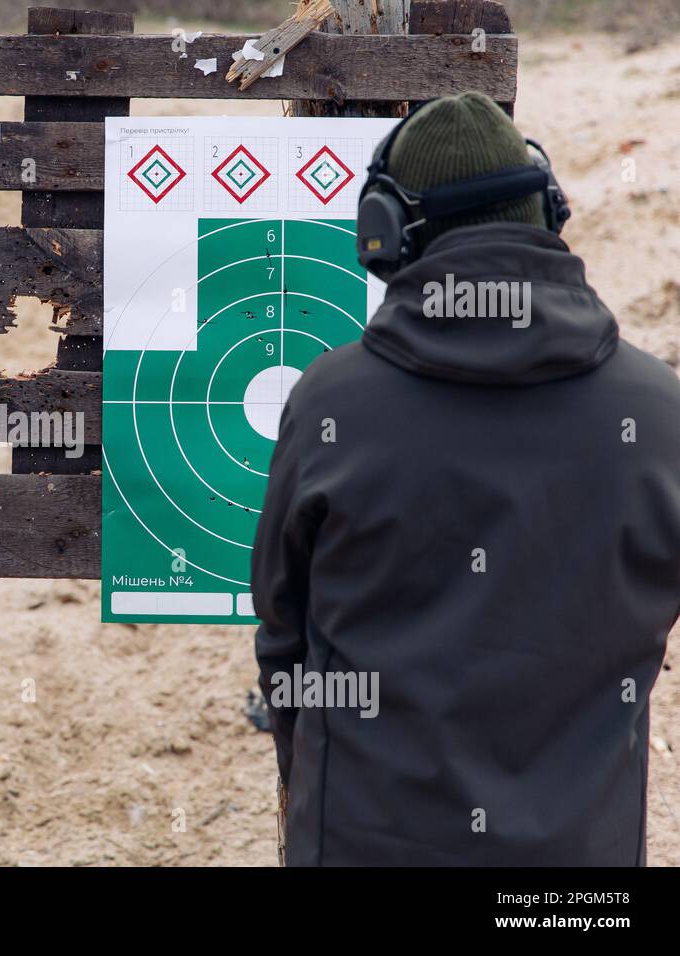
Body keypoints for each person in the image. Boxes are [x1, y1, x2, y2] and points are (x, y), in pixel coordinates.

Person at [252, 92, 680, 865]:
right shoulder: (659, 414)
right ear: (547, 213)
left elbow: (283, 640)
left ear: (385, 234)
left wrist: (311, 793)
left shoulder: (330, 404)